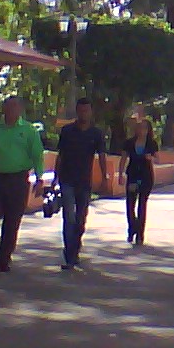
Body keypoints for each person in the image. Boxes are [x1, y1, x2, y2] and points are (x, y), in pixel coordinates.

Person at [0, 95, 45, 273]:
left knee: (13, 219)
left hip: (17, 179)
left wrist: (40, 178)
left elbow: (37, 155)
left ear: (20, 110)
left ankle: (4, 258)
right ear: (3, 109)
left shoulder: (28, 131)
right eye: (8, 107)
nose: (11, 111)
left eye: (15, 107)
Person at [54, 98, 107, 270]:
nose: (84, 114)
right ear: (77, 112)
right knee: (68, 218)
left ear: (90, 112)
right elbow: (60, 155)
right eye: (81, 110)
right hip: (67, 179)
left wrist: (105, 179)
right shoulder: (67, 131)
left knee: (80, 220)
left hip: (84, 182)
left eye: (87, 110)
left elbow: (102, 156)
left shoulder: (96, 134)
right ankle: (69, 255)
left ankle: (75, 249)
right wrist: (55, 178)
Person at [122, 112, 159, 246]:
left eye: (144, 128)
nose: (141, 130)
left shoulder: (151, 144)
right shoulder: (129, 143)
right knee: (130, 205)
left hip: (146, 176)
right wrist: (121, 174)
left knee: (142, 205)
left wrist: (151, 158)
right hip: (132, 175)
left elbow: (157, 158)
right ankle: (132, 228)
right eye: (139, 127)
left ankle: (140, 234)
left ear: (148, 130)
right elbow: (123, 158)